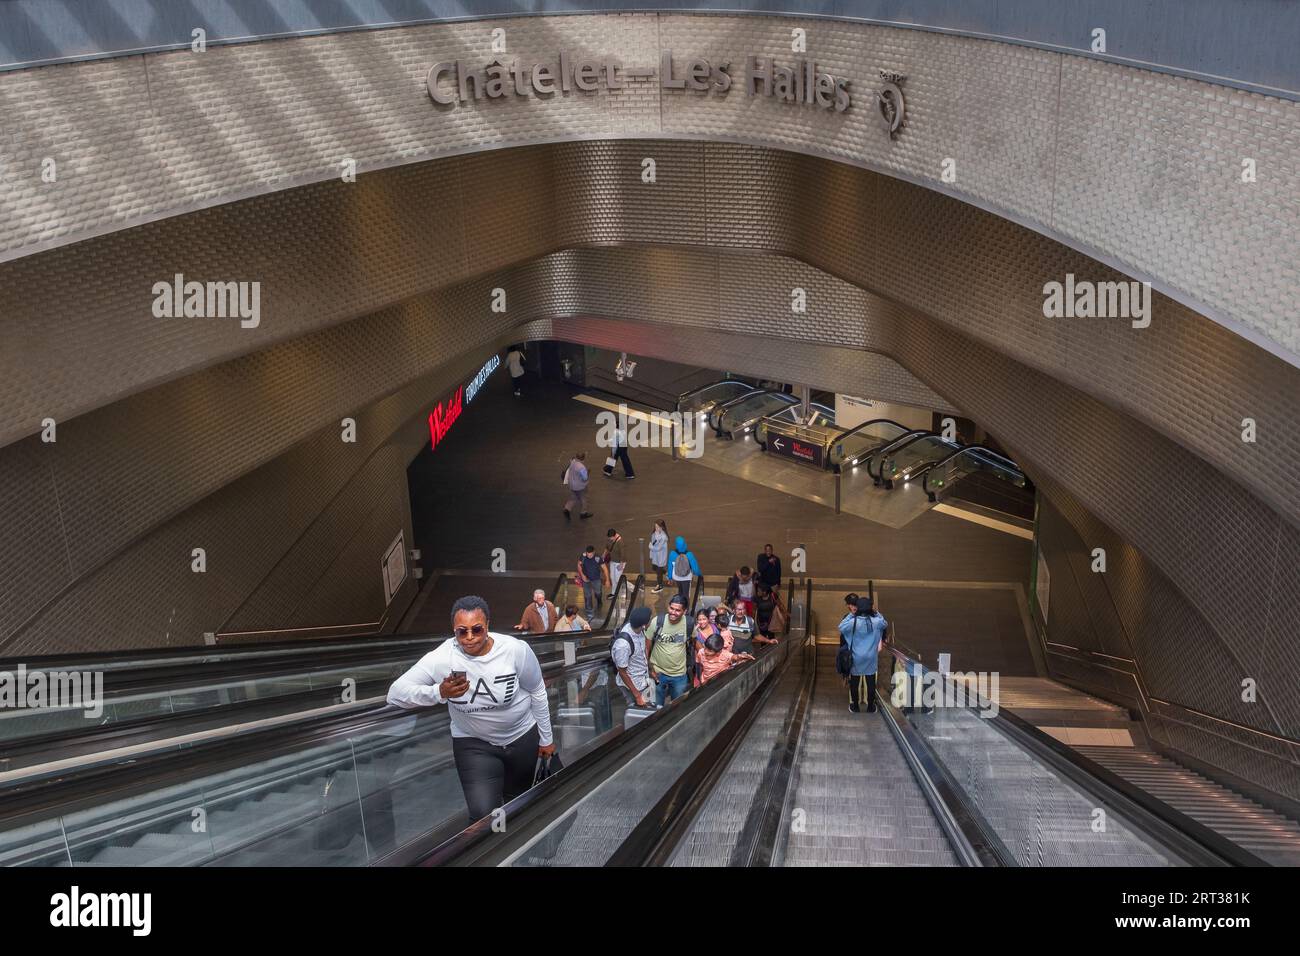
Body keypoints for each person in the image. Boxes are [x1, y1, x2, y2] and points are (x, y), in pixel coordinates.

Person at [387, 595, 555, 821]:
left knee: (520, 803)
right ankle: (494, 854)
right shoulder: (441, 658)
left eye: (476, 630)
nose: (469, 638)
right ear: (453, 631)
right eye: (461, 631)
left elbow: (537, 691)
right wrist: (439, 692)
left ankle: (518, 852)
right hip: (474, 744)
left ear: (487, 626)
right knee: (483, 815)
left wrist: (546, 739)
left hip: (522, 737)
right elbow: (396, 693)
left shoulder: (515, 650)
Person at [840, 596, 889, 714]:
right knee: (870, 681)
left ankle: (855, 707)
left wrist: (852, 614)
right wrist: (876, 613)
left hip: (856, 657)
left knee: (855, 683)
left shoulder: (853, 622)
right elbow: (885, 623)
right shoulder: (876, 622)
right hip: (871, 657)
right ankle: (871, 707)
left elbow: (841, 627)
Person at [645, 595, 692, 707]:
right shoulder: (657, 621)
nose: (673, 612)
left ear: (684, 611)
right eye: (671, 608)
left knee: (678, 707)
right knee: (655, 708)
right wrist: (649, 668)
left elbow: (696, 643)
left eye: (677, 610)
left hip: (679, 675)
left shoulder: (689, 624)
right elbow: (646, 646)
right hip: (657, 673)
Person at [612, 607, 654, 708]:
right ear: (644, 625)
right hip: (632, 686)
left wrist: (650, 669)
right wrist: (637, 695)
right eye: (650, 620)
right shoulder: (623, 645)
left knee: (648, 710)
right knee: (637, 714)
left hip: (644, 680)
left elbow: (643, 651)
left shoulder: (639, 630)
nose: (651, 622)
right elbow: (622, 672)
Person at [668, 535, 701, 605]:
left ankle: (680, 605)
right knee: (686, 594)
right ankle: (686, 609)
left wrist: (670, 577)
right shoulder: (689, 554)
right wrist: (699, 574)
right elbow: (695, 568)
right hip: (687, 577)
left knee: (680, 591)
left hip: (676, 577)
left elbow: (670, 567)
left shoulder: (672, 554)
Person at [563, 452, 592, 520]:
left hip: (572, 485)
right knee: (583, 499)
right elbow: (585, 478)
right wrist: (588, 472)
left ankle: (567, 509)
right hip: (579, 486)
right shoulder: (581, 467)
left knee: (573, 497)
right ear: (583, 458)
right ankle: (583, 513)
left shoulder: (573, 462)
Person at [576, 545, 603, 619]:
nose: (589, 556)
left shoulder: (598, 558)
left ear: (594, 552)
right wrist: (582, 576)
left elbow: (604, 567)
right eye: (588, 554)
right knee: (587, 595)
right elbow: (579, 565)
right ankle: (589, 612)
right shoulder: (583, 556)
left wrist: (607, 579)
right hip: (586, 579)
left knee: (598, 592)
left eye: (591, 555)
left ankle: (599, 599)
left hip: (596, 578)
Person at [648, 519, 669, 593]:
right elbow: (653, 542)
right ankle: (666, 573)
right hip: (655, 556)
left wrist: (651, 547)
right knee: (654, 568)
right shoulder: (654, 534)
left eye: (658, 527)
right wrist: (651, 554)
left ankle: (660, 585)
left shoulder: (663, 537)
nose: (656, 528)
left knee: (659, 572)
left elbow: (658, 548)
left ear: (662, 527)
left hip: (661, 556)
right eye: (655, 526)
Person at [605, 528, 627, 595]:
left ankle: (631, 587)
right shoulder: (611, 540)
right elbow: (607, 547)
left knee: (618, 579)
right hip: (612, 561)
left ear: (614, 536)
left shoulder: (620, 542)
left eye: (611, 537)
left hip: (619, 562)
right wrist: (604, 554)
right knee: (612, 578)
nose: (610, 539)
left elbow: (623, 554)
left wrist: (621, 564)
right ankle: (614, 593)